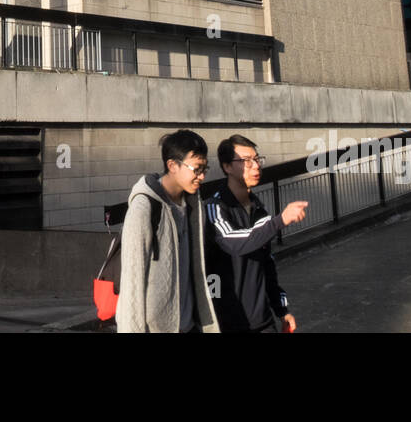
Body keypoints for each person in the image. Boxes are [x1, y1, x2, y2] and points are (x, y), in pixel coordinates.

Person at [116, 129, 220, 333]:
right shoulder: (144, 208)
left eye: (205, 169)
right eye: (197, 169)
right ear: (172, 165)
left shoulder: (193, 205)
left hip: (190, 325)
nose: (202, 177)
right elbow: (131, 283)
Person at [203, 134, 307, 332]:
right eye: (245, 161)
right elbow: (233, 242)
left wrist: (282, 310)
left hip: (263, 321)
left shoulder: (259, 210)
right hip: (228, 324)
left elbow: (267, 265)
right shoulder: (214, 208)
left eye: (257, 159)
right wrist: (280, 221)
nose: (256, 166)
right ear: (227, 167)